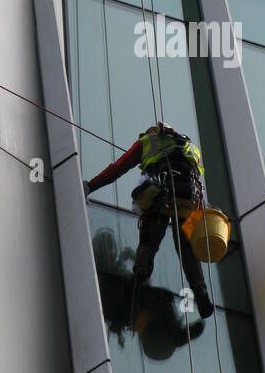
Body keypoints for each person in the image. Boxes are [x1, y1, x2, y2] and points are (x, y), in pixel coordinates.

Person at [84, 123, 215, 322]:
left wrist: (90, 186)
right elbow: (197, 183)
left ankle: (138, 282)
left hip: (161, 195)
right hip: (190, 200)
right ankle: (200, 290)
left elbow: (117, 169)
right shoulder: (190, 148)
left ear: (150, 131)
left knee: (149, 242)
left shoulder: (148, 141)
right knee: (186, 248)